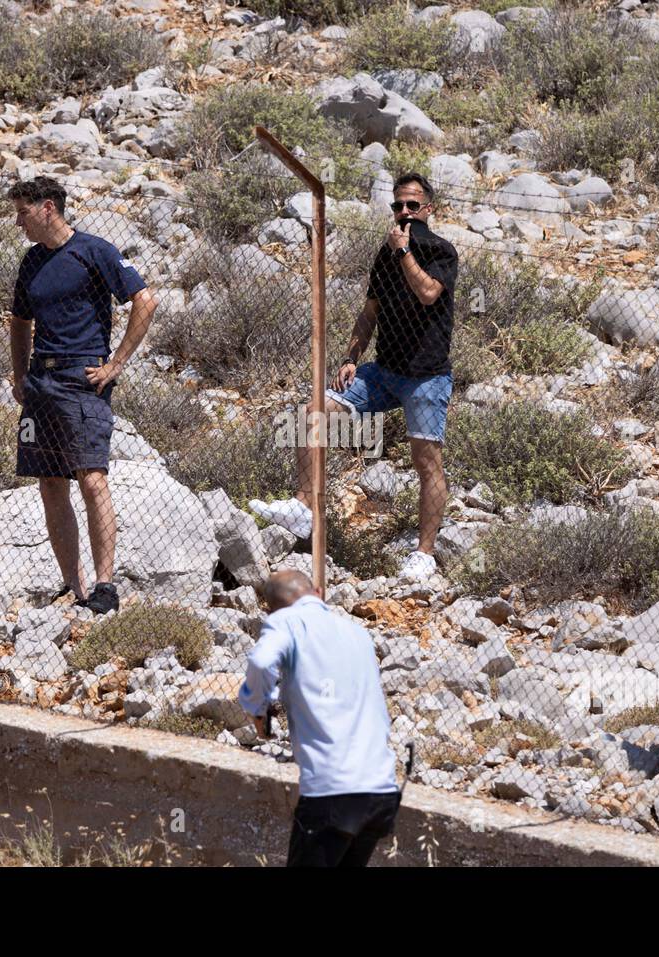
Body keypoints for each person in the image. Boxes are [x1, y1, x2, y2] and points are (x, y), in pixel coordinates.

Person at [249, 173, 459, 582]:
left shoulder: (440, 252)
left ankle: (424, 554)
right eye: (398, 206)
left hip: (426, 377)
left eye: (412, 206)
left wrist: (404, 253)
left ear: (428, 210)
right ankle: (303, 508)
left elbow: (429, 293)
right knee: (314, 411)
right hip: (384, 371)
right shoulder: (384, 256)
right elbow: (369, 313)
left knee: (426, 461)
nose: (403, 213)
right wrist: (350, 357)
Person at [8, 176, 159, 614]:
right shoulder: (31, 261)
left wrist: (115, 364)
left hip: (83, 379)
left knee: (92, 480)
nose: (19, 222)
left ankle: (105, 586)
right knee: (50, 482)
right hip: (41, 383)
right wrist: (20, 375)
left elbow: (144, 301)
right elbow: (19, 322)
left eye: (23, 212)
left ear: (48, 207)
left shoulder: (95, 251)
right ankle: (74, 587)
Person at [239, 570, 401, 867]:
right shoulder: (356, 632)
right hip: (381, 791)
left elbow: (261, 661)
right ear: (317, 591)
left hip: (332, 792)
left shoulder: (285, 621)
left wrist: (257, 707)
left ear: (272, 607)